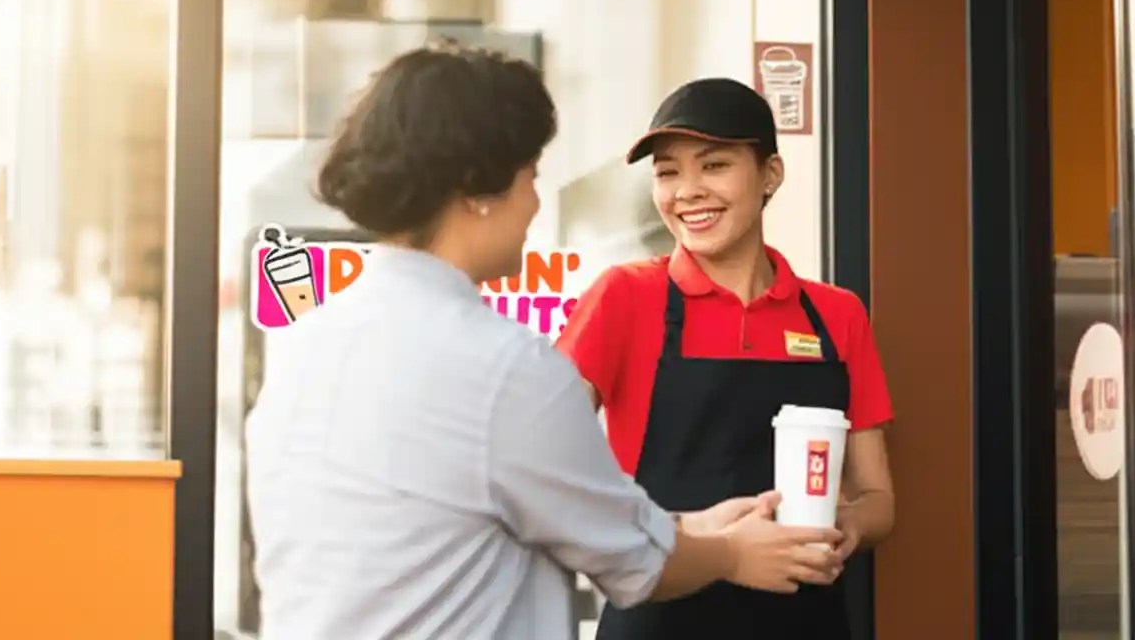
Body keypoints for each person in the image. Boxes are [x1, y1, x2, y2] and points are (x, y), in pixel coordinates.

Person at [244, 44, 845, 639]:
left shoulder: (307, 347)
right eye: (531, 176)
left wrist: (692, 525)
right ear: (479, 190)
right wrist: (733, 554)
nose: (535, 202)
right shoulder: (503, 368)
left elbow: (539, 512)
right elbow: (638, 561)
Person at [557, 77, 897, 638]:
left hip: (804, 620)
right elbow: (544, 457)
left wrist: (843, 525)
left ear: (771, 175)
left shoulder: (836, 315)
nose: (687, 190)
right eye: (668, 172)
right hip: (658, 620)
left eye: (713, 165)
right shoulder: (625, 296)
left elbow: (879, 498)